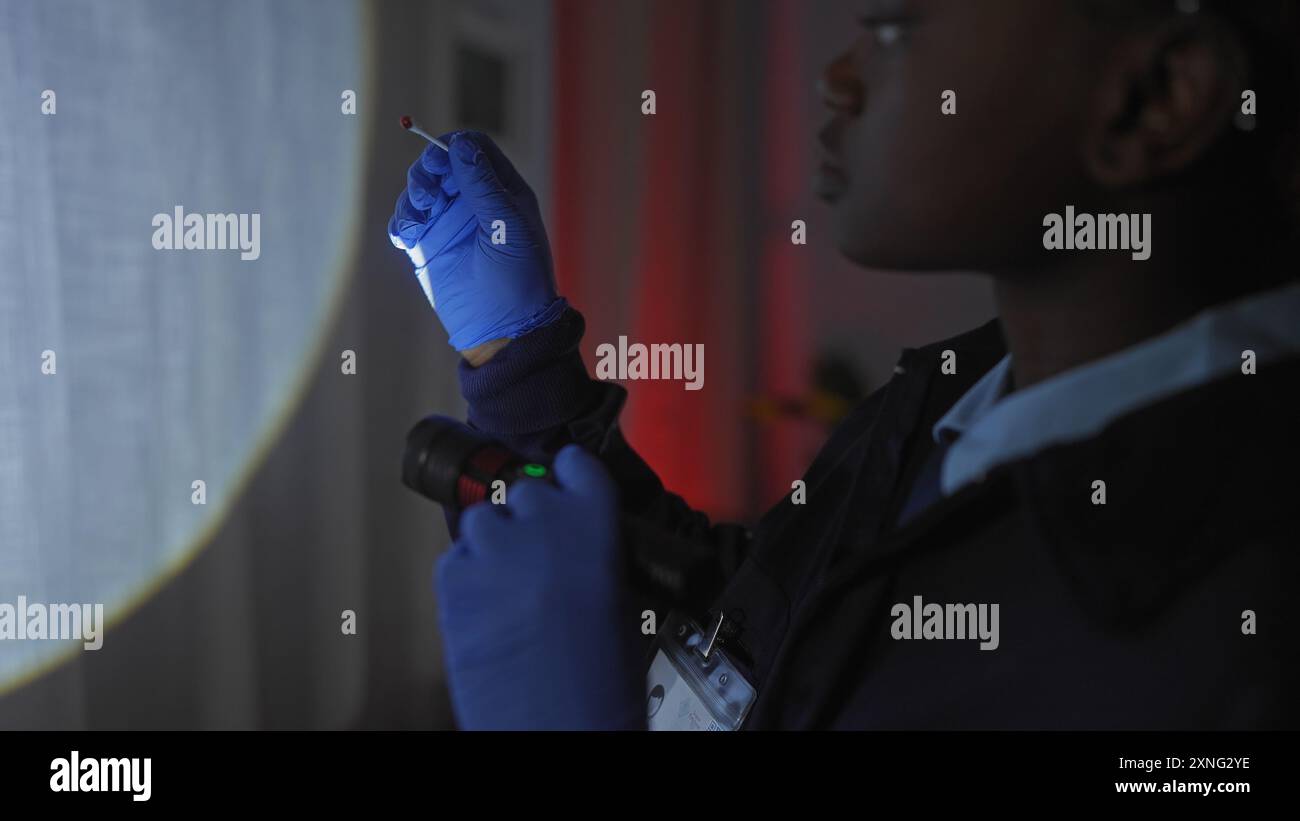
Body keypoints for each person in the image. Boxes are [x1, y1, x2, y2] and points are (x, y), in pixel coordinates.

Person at [389, 0, 1299, 730]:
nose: (839, 74)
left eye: (899, 26)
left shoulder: (1235, 634)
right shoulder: (958, 392)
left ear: (1160, 95)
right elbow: (774, 623)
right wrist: (519, 355)